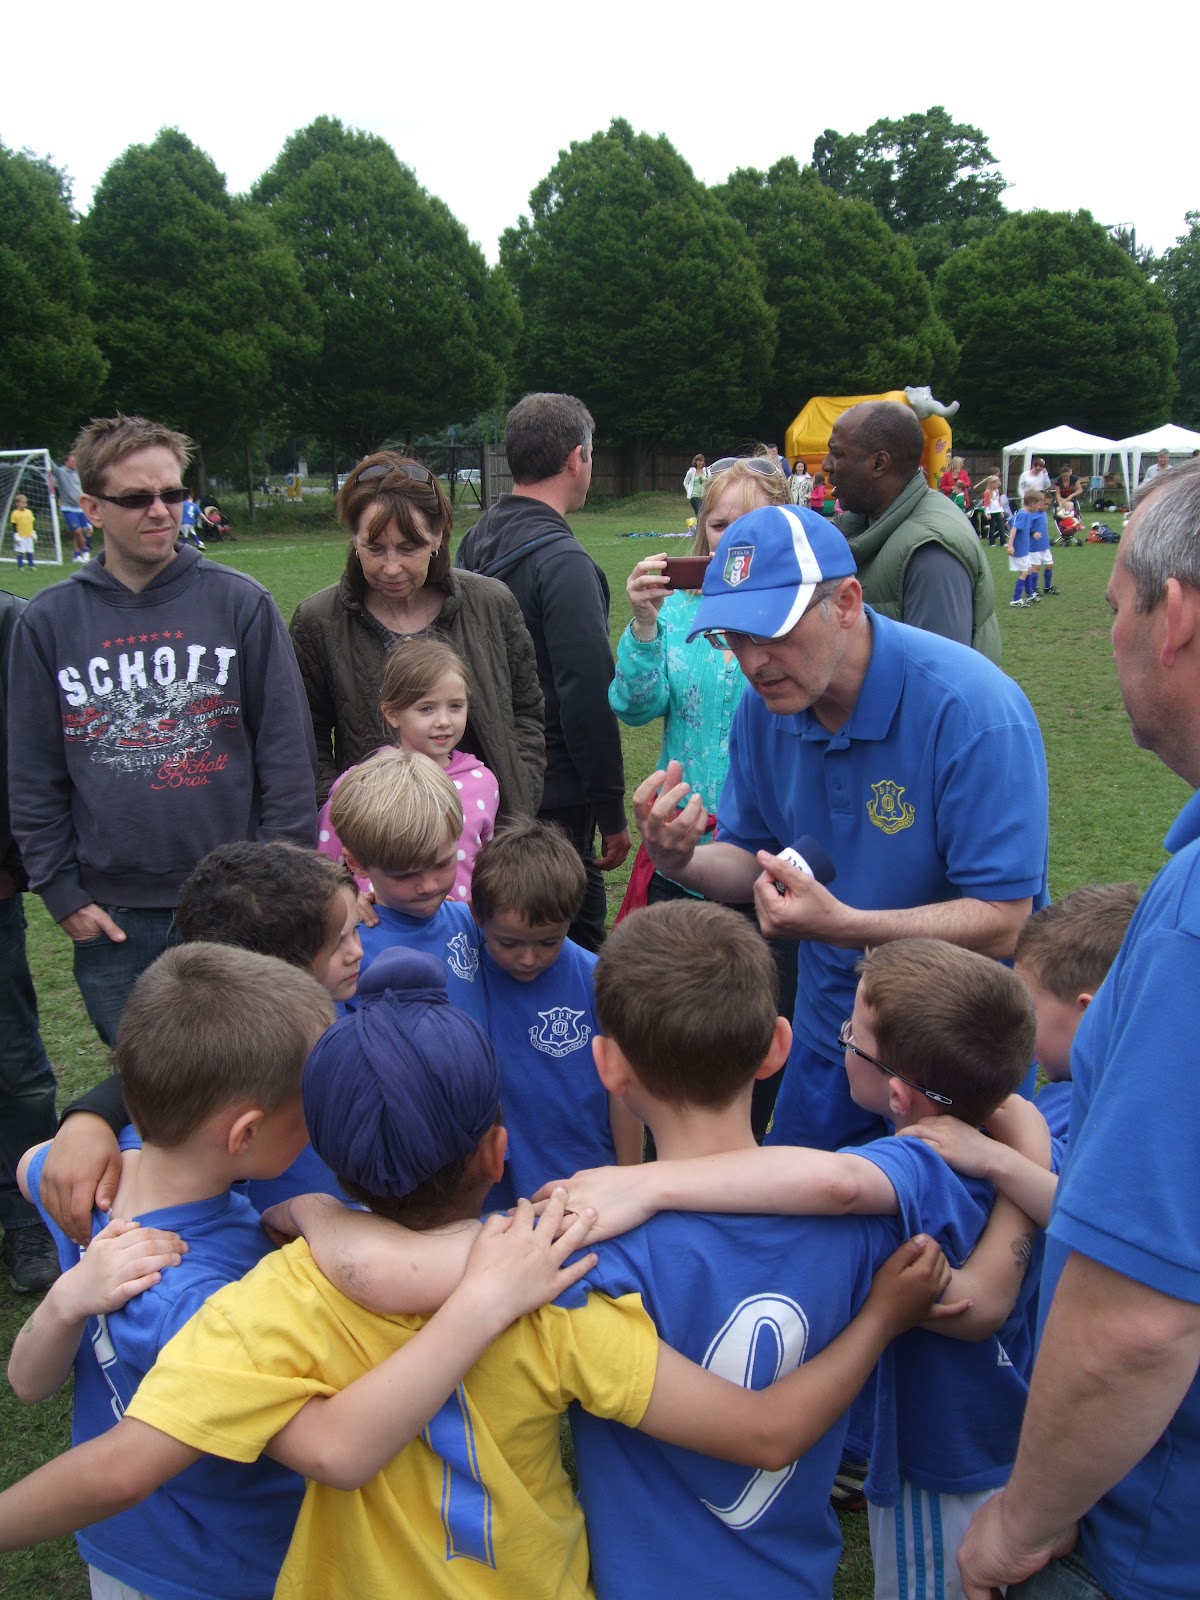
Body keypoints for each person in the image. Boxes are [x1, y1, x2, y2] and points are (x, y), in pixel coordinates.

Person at [0, 947, 953, 1600]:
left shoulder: (268, 1296)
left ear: (324, 1149)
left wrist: (306, 1212)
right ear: (499, 1151)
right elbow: (765, 1429)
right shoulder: (557, 1280)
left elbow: (159, 1457)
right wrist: (881, 1316)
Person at [543, 930, 1048, 1600]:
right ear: (777, 1047)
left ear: (608, 1065)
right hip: (793, 1578)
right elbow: (977, 1299)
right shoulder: (884, 1221)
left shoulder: (585, 1250)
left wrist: (645, 1185)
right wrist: (1028, 1148)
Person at [957, 458, 1200, 1600]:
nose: (1106, 635)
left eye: (1113, 607)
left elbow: (1135, 1327)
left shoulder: (1193, 928)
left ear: (1177, 616)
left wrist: (1018, 1521)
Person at [634, 501, 1048, 1153]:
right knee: (813, 1237)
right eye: (733, 638)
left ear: (848, 602)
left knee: (945, 1240)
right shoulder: (765, 709)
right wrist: (680, 857)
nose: (752, 661)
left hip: (953, 1050)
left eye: (771, 631)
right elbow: (748, 856)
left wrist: (845, 927)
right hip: (835, 1039)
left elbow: (1006, 917)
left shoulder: (972, 711)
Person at [11, 943, 335, 1600]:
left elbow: (27, 1385)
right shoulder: (208, 1298)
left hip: (126, 1545)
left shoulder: (78, 1186)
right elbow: (333, 1443)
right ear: (243, 1134)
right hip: (224, 1564)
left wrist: (84, 1127)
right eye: (310, 1108)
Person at [7, 414, 318, 1048]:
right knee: (151, 1091)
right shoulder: (48, 621)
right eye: (136, 498)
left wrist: (279, 879)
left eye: (173, 494)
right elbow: (32, 774)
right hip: (116, 917)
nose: (161, 511)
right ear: (90, 506)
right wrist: (63, 894)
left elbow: (286, 753)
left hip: (238, 900)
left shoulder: (241, 602)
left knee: (251, 1071)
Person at [456, 393, 631, 951]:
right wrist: (609, 808)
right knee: (569, 944)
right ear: (577, 457)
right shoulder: (565, 565)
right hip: (551, 797)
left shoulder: (472, 541)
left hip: (481, 785)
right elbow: (585, 695)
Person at [288, 451, 545, 823]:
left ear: (437, 536)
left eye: (409, 548)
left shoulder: (492, 603)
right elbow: (305, 738)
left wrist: (520, 791)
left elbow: (527, 711)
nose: (391, 567)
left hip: (491, 838)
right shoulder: (318, 620)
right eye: (374, 549)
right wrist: (348, 814)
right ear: (354, 540)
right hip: (377, 850)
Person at [908, 883, 1140, 1232]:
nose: (1018, 1026)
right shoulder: (1091, 1090)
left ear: (1092, 1015)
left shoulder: (1112, 1117)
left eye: (1029, 1010)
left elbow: (1100, 1220)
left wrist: (993, 1159)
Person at [470, 817, 642, 1210]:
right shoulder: (463, 966)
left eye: (549, 941)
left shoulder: (600, 981)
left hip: (581, 1184)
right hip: (489, 1194)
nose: (528, 959)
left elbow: (625, 1093)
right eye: (509, 942)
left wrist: (629, 1178)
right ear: (477, 917)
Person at [317, 637, 498, 905]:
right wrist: (348, 904)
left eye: (456, 706)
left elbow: (484, 864)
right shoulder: (361, 783)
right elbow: (325, 863)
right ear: (392, 714)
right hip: (380, 931)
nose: (444, 721)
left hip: (457, 934)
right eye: (426, 708)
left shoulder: (483, 781)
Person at [826, 401, 1001, 659]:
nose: (827, 465)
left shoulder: (931, 552)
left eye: (837, 454)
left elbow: (939, 679)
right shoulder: (864, 522)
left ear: (879, 464)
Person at [329, 746, 485, 1023]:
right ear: (356, 865)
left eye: (442, 864)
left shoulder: (470, 923)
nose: (428, 886)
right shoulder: (349, 949)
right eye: (403, 875)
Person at [0, 589, 60, 1293]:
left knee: (13, 1064)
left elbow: (30, 754)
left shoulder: (12, 622)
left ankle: (25, 1219)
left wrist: (15, 866)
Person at [1005, 489, 1048, 608]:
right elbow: (1013, 529)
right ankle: (1015, 600)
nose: (1039, 507)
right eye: (1038, 504)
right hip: (1020, 550)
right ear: (1032, 504)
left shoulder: (1023, 513)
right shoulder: (1023, 514)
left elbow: (1008, 523)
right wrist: (1011, 545)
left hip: (1024, 549)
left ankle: (1030, 595)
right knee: (1024, 572)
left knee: (1028, 570)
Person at [48, 452, 92, 562]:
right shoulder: (61, 472)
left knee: (85, 530)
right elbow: (52, 466)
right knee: (77, 531)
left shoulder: (78, 473)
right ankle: (85, 551)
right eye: (72, 461)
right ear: (66, 462)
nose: (74, 463)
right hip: (68, 508)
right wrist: (45, 454)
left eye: (76, 462)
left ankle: (76, 554)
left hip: (81, 507)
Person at [9, 494, 36, 568]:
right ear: (17, 503)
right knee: (20, 551)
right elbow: (14, 525)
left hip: (29, 535)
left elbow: (32, 523)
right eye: (22, 502)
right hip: (20, 536)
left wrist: (33, 532)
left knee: (30, 550)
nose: (24, 504)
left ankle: (31, 565)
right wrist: (16, 535)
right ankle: (20, 566)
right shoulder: (15, 513)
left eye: (25, 502)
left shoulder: (29, 512)